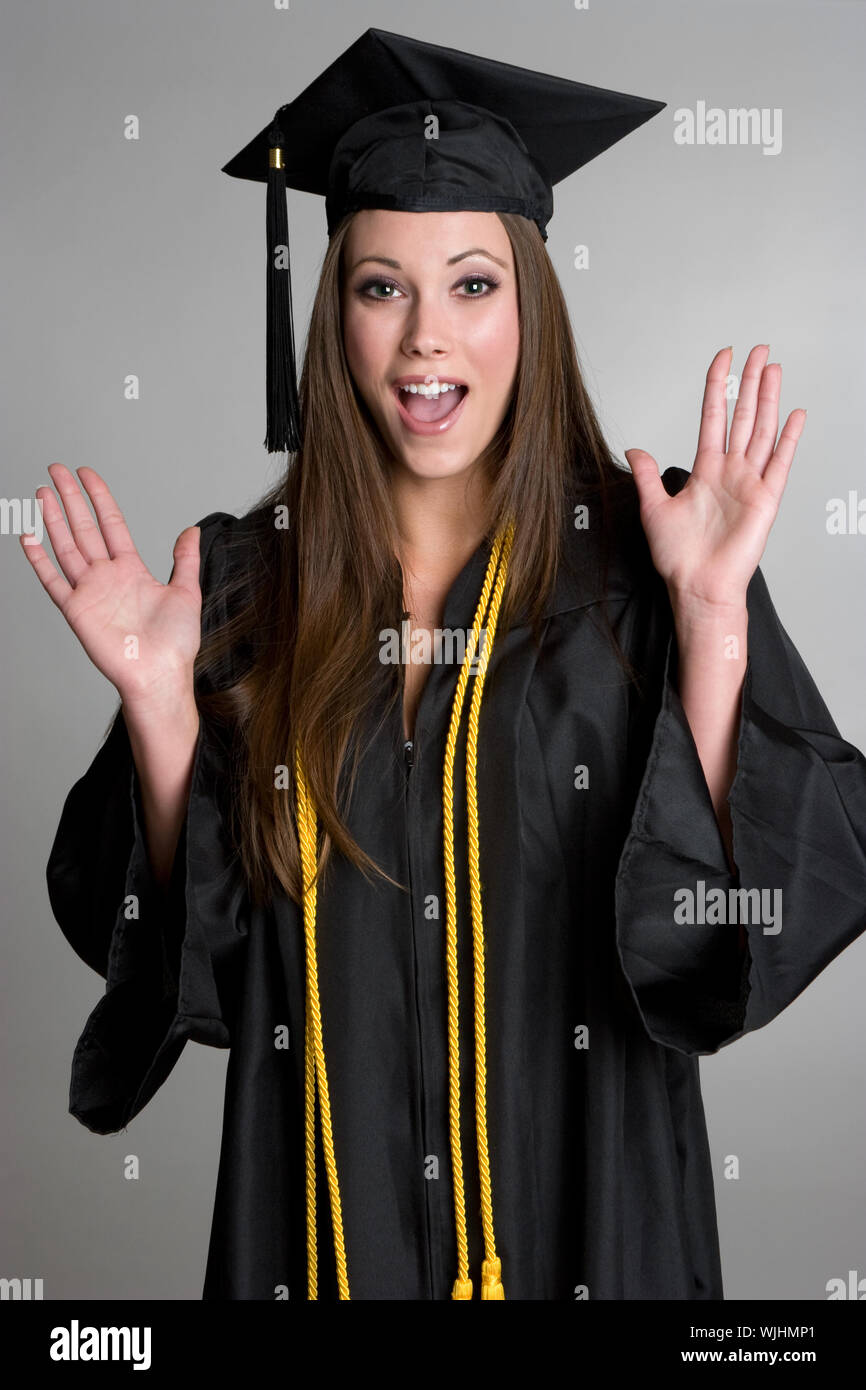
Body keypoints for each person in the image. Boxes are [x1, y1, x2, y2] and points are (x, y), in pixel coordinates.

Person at [23, 29, 866, 1301]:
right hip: (320, 1245)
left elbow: (719, 943)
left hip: (589, 1229)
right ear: (334, 316)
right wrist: (160, 717)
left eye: (471, 284)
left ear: (529, 303)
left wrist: (711, 624)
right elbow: (195, 971)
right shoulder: (245, 593)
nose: (427, 339)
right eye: (381, 288)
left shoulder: (642, 565)